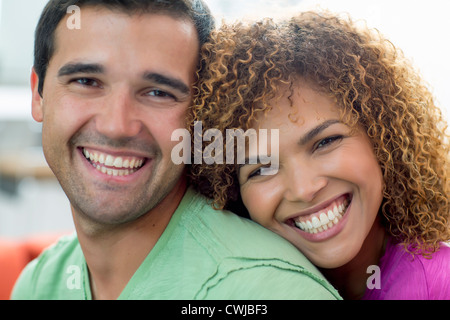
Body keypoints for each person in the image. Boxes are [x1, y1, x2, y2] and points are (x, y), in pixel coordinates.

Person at [11, 0, 341, 300]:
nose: (117, 125)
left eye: (158, 92)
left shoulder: (267, 291)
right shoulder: (39, 284)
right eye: (86, 81)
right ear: (38, 95)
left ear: (201, 115)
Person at [190, 11, 450, 299]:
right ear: (232, 195)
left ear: (382, 139)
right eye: (261, 169)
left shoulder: (438, 283)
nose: (304, 189)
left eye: (325, 142)